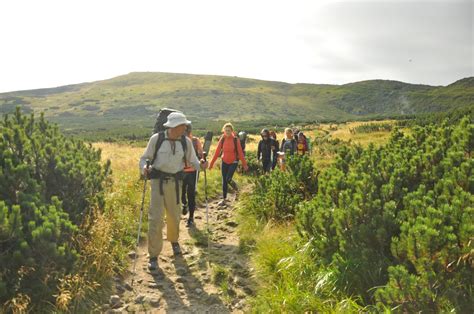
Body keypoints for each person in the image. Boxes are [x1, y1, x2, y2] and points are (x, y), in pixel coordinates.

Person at [139, 112, 207, 271]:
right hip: (157, 183)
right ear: (174, 127)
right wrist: (144, 168)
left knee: (174, 215)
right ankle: (154, 255)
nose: (186, 127)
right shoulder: (156, 139)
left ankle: (174, 240)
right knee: (155, 218)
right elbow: (144, 158)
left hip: (176, 183)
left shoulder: (186, 142)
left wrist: (202, 165)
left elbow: (194, 162)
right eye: (183, 125)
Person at [209, 123, 248, 206]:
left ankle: (238, 190)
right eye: (226, 130)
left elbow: (240, 153)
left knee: (228, 178)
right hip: (224, 161)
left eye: (229, 130)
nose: (227, 132)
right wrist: (211, 164)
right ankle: (224, 199)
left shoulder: (235, 139)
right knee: (224, 181)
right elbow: (217, 152)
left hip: (233, 161)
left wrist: (244, 164)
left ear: (232, 131)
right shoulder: (222, 139)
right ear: (224, 131)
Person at [181, 124, 203, 228]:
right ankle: (184, 204)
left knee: (191, 194)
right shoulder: (178, 141)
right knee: (181, 194)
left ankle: (191, 218)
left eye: (187, 130)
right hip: (181, 171)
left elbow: (201, 154)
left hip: (193, 171)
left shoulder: (195, 141)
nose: (185, 132)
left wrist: (202, 159)